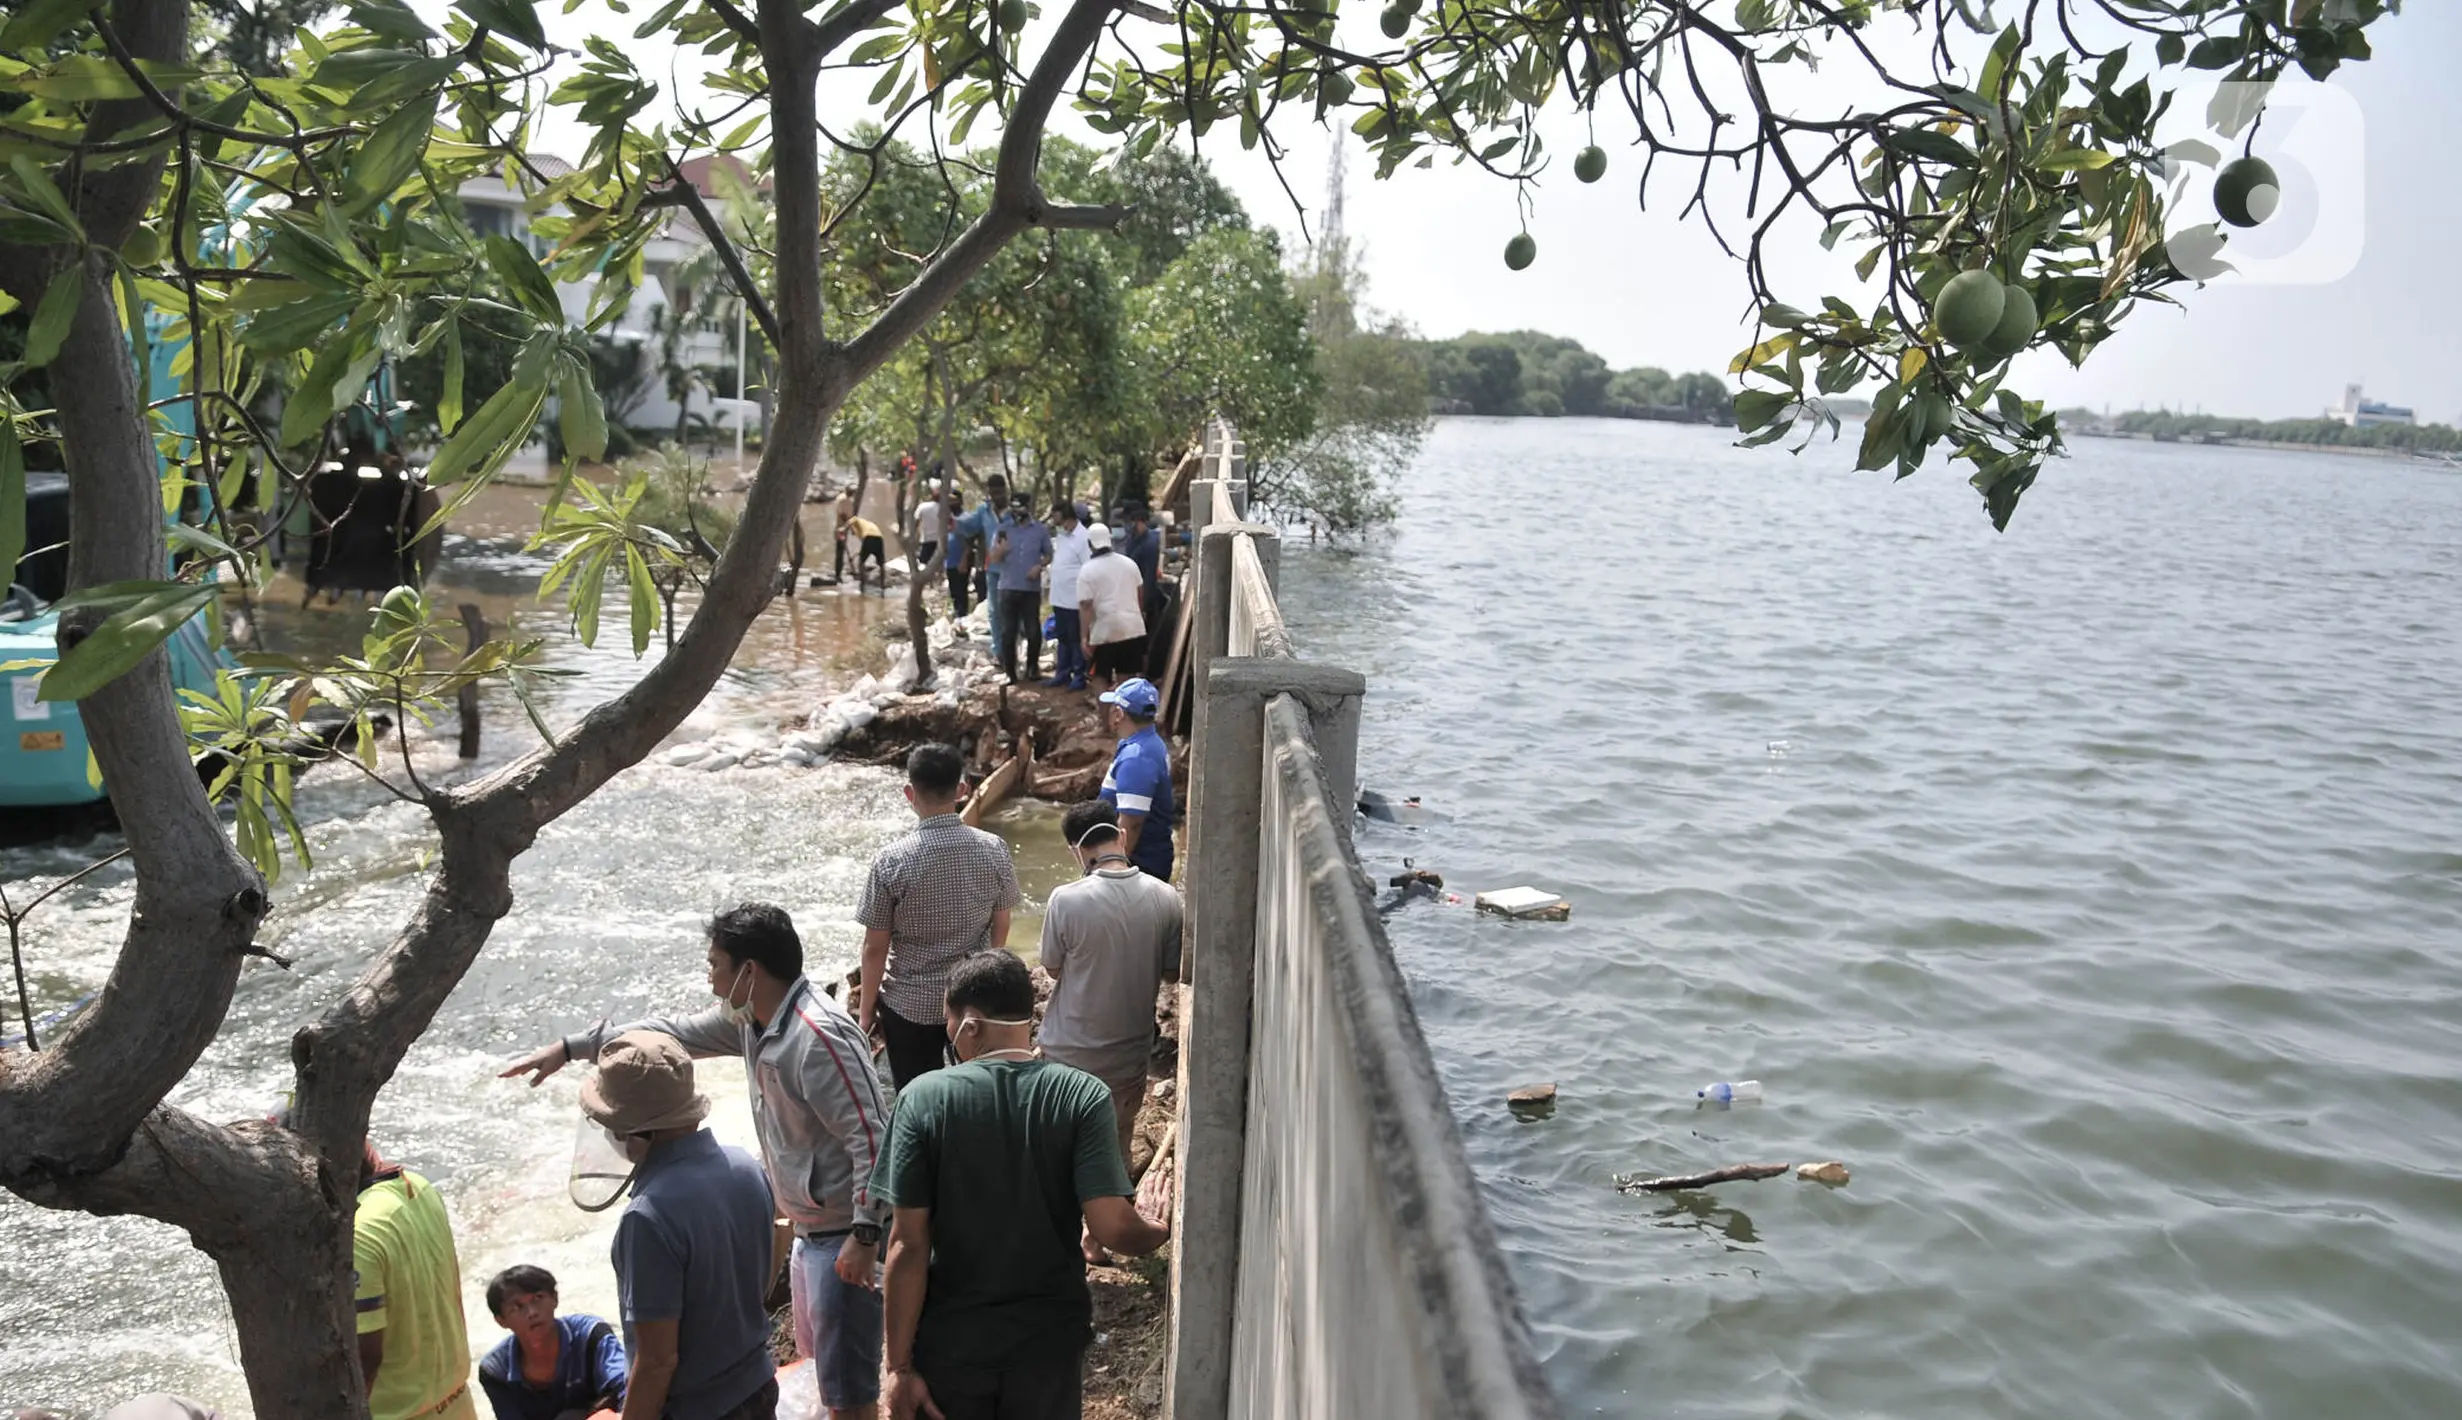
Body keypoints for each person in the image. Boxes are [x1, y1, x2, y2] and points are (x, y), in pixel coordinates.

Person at [501, 906, 892, 1420]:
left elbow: (876, 1141)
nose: (710, 980)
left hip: (842, 1236)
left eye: (715, 965)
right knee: (825, 1378)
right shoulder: (754, 1022)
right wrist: (573, 1047)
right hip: (808, 1230)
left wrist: (865, 1239)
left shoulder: (816, 1037)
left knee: (850, 1398)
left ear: (749, 972)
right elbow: (669, 1034)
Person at [871, 951, 1171, 1420]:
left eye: (948, 1023)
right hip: (1048, 1345)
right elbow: (1112, 1228)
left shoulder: (922, 1100)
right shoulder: (1081, 1095)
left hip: (952, 1349)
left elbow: (907, 1246)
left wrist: (899, 1367)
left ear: (970, 1025)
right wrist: (1157, 1227)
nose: (947, 1035)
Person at [582, 1031, 778, 1420]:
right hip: (757, 1386)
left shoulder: (647, 1217)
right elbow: (762, 1279)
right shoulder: (745, 1167)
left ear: (633, 1132)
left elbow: (657, 1362)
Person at [1038, 801, 1181, 1261]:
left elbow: (1052, 966)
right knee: (1116, 1144)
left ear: (1076, 850)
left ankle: (1059, 1242)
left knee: (1061, 1150)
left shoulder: (1067, 898)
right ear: (1120, 835)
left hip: (1068, 1053)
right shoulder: (1165, 897)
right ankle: (1095, 1240)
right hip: (1128, 1053)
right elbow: (1172, 970)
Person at [856, 743, 1022, 1087]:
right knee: (973, 1088)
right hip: (971, 1003)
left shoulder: (891, 860)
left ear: (908, 793)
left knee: (917, 1095)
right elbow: (1001, 923)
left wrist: (866, 1010)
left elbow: (875, 947)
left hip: (908, 1005)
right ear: (962, 790)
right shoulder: (993, 848)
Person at [352, 1137, 479, 1420]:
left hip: (400, 1414)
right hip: (456, 1400)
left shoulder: (358, 1232)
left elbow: (366, 1357)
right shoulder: (417, 1185)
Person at [477, 1265, 628, 1420]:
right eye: (517, 1308)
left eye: (538, 1298)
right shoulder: (495, 1370)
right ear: (501, 1321)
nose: (532, 1312)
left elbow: (628, 1386)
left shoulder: (590, 1335)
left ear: (554, 1298)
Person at [1096, 678, 1175, 882]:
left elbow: (1131, 824)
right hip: (1145, 862)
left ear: (1118, 714)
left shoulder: (1137, 757)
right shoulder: (1148, 743)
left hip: (1139, 867)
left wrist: (1113, 873)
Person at [1073, 523, 1145, 692]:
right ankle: (1125, 717)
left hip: (1104, 632)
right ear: (1110, 541)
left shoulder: (1087, 571)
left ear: (1090, 544)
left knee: (1100, 678)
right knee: (1126, 680)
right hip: (1131, 629)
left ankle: (1106, 719)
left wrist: (1084, 637)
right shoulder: (1129, 564)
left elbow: (1085, 606)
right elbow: (1140, 594)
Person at [988, 502, 1052, 684]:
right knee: (1008, 632)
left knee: (1033, 631)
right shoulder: (1003, 530)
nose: (1017, 514)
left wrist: (1039, 566)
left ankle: (1032, 667)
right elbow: (993, 558)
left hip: (1030, 588)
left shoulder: (1040, 530)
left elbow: (1049, 554)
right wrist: (1001, 550)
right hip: (1007, 587)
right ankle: (1010, 672)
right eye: (1014, 510)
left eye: (1021, 509)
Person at [1043, 500, 1091, 691]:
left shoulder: (1083, 537)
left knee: (1075, 638)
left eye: (1056, 515)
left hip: (1074, 599)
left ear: (1067, 516)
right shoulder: (1061, 536)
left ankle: (1078, 676)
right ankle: (1062, 673)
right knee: (1062, 636)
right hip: (1059, 597)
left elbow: (1088, 567)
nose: (1053, 520)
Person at [937, 485, 977, 618]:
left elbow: (970, 542)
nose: (951, 503)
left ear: (960, 501)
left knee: (961, 591)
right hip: (950, 561)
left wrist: (964, 560)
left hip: (961, 561)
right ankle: (957, 617)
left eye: (953, 500)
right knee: (954, 592)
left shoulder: (966, 518)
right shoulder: (947, 519)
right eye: (949, 500)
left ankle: (962, 617)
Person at [838, 509, 886, 595]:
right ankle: (883, 587)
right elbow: (865, 548)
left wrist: (844, 529)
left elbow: (854, 519)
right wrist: (853, 556)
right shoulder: (866, 527)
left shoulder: (858, 521)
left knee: (860, 563)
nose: (852, 533)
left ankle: (862, 587)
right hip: (879, 538)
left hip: (869, 537)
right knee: (881, 565)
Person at [912, 485, 946, 576]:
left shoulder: (923, 506)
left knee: (924, 563)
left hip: (926, 539)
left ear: (931, 496)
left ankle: (928, 583)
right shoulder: (945, 509)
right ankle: (938, 581)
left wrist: (914, 537)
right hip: (940, 541)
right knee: (939, 564)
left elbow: (915, 523)